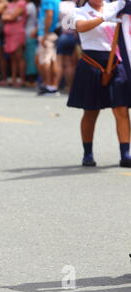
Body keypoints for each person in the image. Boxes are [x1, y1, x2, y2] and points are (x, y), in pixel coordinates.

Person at [67, 0, 131, 167]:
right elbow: (80, 27)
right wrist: (104, 18)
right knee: (91, 111)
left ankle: (125, 153)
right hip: (91, 62)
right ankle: (87, 153)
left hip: (116, 61)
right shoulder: (78, 12)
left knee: (121, 109)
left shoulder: (115, 6)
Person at [36, 0, 61, 95]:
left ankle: (49, 86)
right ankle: (52, 86)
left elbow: (49, 14)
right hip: (53, 32)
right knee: (52, 59)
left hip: (48, 33)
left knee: (46, 60)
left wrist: (45, 33)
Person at [2, 0, 27, 87]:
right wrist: (8, 17)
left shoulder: (22, 3)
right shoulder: (10, 4)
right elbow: (3, 16)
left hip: (18, 33)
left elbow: (12, 17)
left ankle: (22, 80)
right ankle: (13, 79)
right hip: (9, 35)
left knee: (19, 57)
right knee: (12, 58)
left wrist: (8, 16)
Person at [56, 0, 79, 92]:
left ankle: (55, 85)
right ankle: (70, 87)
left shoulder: (60, 5)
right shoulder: (76, 6)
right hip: (73, 35)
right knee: (70, 64)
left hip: (64, 35)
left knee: (60, 63)